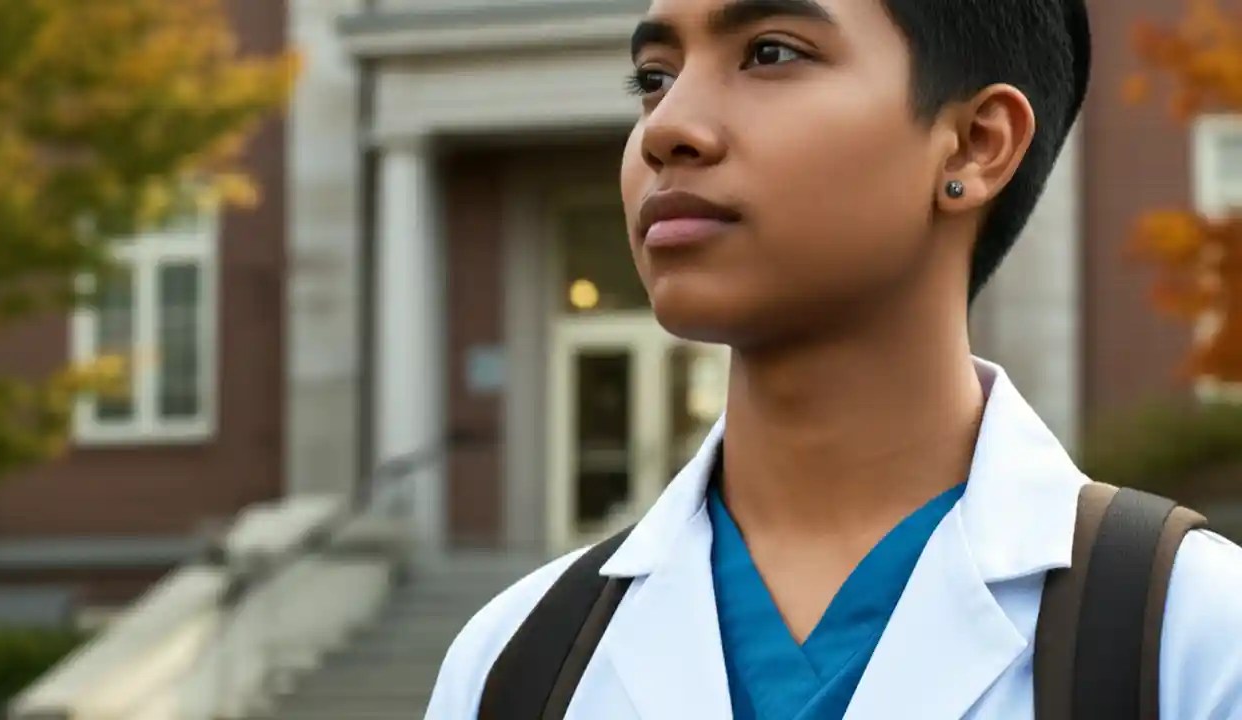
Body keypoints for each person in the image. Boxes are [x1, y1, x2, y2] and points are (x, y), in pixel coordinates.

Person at [425, 0, 1242, 717]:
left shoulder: (1195, 642)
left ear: (974, 146)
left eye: (770, 52)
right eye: (653, 76)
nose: (666, 127)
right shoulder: (511, 664)